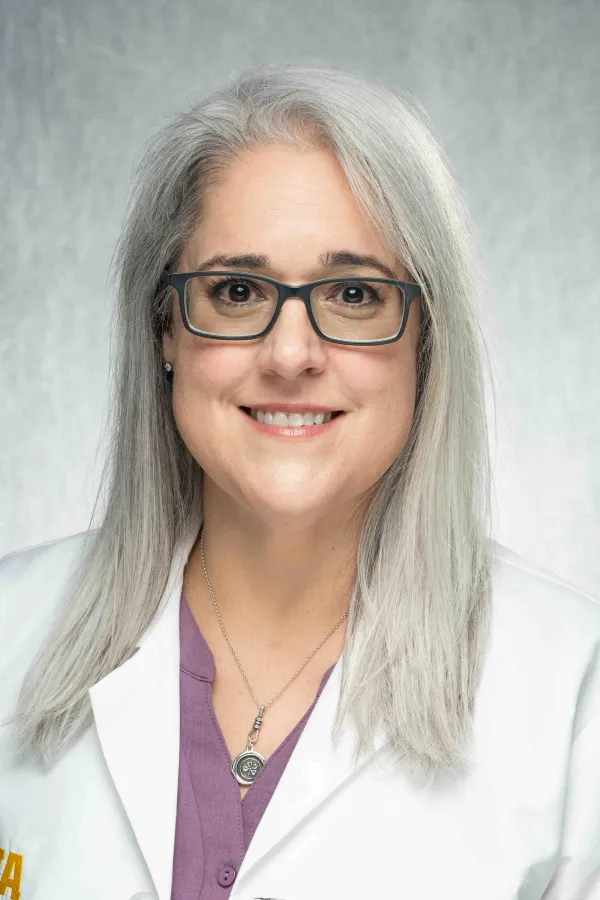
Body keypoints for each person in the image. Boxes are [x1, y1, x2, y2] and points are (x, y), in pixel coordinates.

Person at [1, 63, 599, 900]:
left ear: (427, 338)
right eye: (237, 291)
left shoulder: (573, 693)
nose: (290, 354)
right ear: (164, 328)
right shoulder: (10, 629)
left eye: (353, 293)